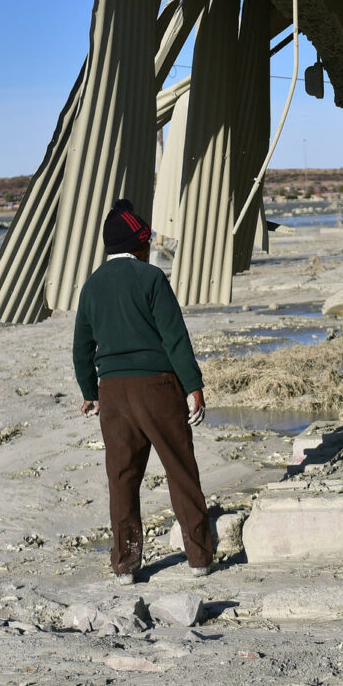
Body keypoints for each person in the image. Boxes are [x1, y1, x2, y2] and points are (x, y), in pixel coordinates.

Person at [72, 198, 214, 584]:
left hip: (113, 393)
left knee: (122, 478)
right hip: (157, 387)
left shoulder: (91, 286)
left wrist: (90, 391)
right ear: (140, 243)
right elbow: (175, 338)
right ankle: (199, 558)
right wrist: (194, 386)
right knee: (180, 469)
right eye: (147, 241)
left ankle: (125, 566)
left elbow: (81, 347)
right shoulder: (152, 279)